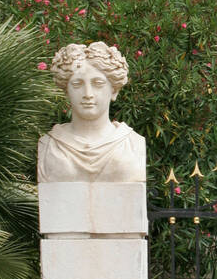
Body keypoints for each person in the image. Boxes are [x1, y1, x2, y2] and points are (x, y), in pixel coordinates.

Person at [37, 41, 146, 183]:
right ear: (66, 92)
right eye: (77, 84)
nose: (88, 94)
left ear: (114, 91)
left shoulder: (132, 143)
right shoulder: (49, 145)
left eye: (98, 84)